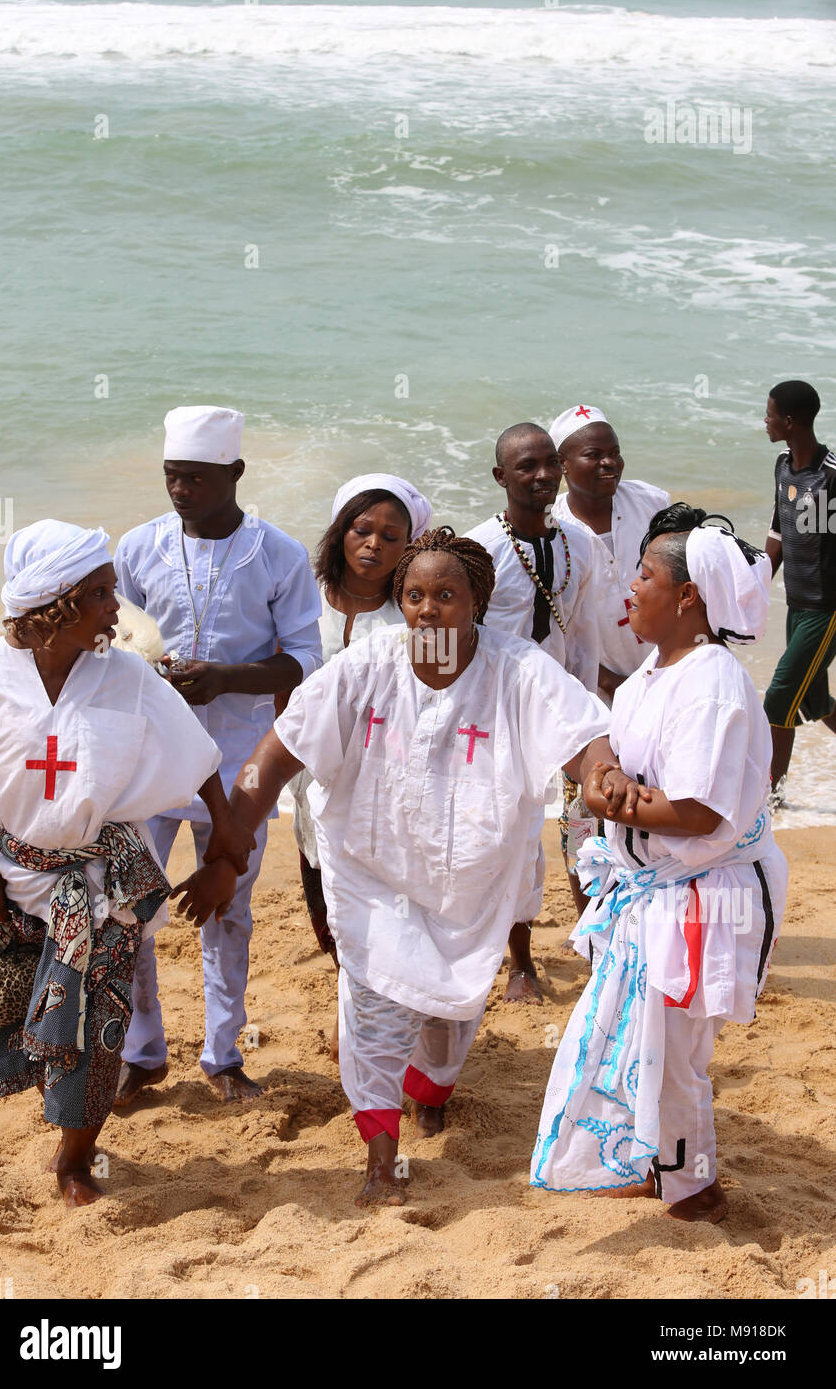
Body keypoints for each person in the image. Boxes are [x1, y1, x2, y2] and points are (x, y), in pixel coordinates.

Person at [172, 527, 613, 1207]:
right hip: (371, 874)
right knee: (374, 1012)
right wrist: (229, 853)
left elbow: (582, 736)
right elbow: (276, 754)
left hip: (473, 882)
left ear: (477, 602)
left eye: (445, 595)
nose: (427, 610)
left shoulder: (517, 670)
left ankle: (431, 1091)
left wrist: (603, 774)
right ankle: (381, 1163)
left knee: (451, 1016)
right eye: (413, 595)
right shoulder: (366, 668)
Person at [0, 521, 250, 1207]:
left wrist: (225, 851)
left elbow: (201, 759)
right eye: (99, 594)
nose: (116, 611)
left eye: (112, 590)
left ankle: (74, 1160)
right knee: (0, 998)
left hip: (100, 880)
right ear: (53, 606)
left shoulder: (126, 676)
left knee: (95, 1028)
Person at [531, 504, 787, 1223]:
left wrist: (615, 807)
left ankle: (694, 1188)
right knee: (651, 1041)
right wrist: (602, 771)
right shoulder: (655, 669)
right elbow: (613, 747)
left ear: (687, 598)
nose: (629, 588)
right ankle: (661, 1166)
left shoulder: (709, 682)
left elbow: (700, 813)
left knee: (675, 1053)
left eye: (644, 575)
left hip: (702, 894)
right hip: (660, 890)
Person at [113, 406, 322, 1105]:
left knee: (229, 908)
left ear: (234, 474)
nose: (180, 491)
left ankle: (223, 1053)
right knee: (133, 907)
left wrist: (226, 677)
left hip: (240, 764)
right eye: (172, 477)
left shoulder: (280, 555)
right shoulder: (138, 549)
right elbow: (116, 647)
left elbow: (303, 661)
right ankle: (142, 1052)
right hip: (150, 760)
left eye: (196, 479)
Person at [287, 474, 432, 1046]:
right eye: (361, 529)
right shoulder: (301, 598)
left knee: (391, 910)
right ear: (340, 532)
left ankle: (391, 1027)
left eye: (391, 536)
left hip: (388, 787)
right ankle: (359, 1004)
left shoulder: (411, 615)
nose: (373, 544)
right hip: (310, 782)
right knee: (325, 903)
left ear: (407, 548)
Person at [467, 423, 601, 996]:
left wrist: (591, 711)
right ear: (501, 477)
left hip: (564, 707)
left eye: (550, 462)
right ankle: (519, 961)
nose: (544, 475)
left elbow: (586, 632)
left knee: (587, 823)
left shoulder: (579, 543)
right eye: (527, 466)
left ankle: (596, 940)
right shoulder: (481, 551)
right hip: (497, 714)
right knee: (512, 836)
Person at [550, 404, 670, 705]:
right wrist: (609, 681)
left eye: (615, 453)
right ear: (562, 463)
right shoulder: (552, 528)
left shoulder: (651, 503)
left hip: (667, 673)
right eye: (594, 455)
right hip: (596, 690)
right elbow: (557, 626)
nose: (610, 463)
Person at [762, 380, 836, 805]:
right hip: (796, 604)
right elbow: (779, 529)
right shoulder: (782, 466)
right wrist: (753, 583)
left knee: (779, 700)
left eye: (770, 414)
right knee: (814, 701)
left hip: (826, 610)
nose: (765, 421)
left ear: (789, 421)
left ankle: (771, 798)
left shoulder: (833, 473)